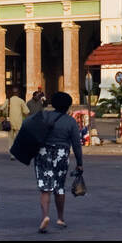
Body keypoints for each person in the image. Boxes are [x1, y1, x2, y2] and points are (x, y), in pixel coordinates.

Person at [31, 91, 83, 232]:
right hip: (61, 154)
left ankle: (45, 217)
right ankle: (60, 218)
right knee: (59, 187)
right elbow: (76, 145)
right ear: (68, 106)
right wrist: (79, 163)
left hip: (43, 153)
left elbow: (31, 130)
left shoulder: (44, 116)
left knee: (45, 188)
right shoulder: (71, 121)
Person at [6, 88, 28, 159]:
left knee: (11, 139)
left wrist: (2, 117)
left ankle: (12, 154)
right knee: (18, 139)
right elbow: (26, 111)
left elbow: (1, 108)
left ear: (12, 93)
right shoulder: (21, 101)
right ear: (18, 93)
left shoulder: (8, 100)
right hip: (18, 123)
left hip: (10, 123)